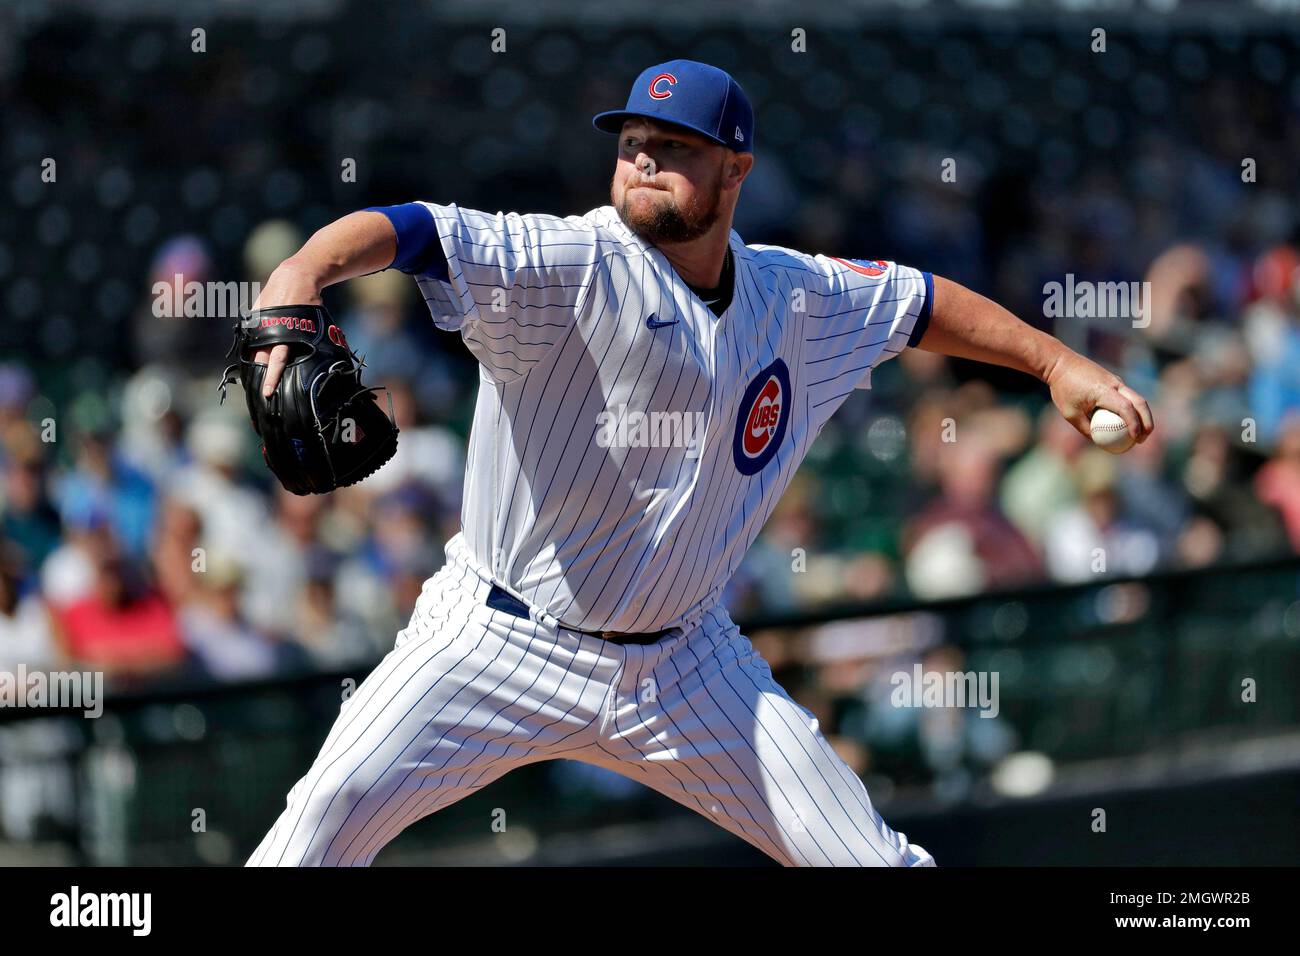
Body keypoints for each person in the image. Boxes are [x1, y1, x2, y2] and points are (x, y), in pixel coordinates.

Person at [244, 60, 1153, 867]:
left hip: (684, 664)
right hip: (495, 639)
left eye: (675, 146)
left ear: (736, 168)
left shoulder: (795, 296)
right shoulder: (569, 260)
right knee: (319, 824)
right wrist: (302, 271)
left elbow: (921, 303)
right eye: (634, 141)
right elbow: (415, 229)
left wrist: (1055, 363)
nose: (644, 159)